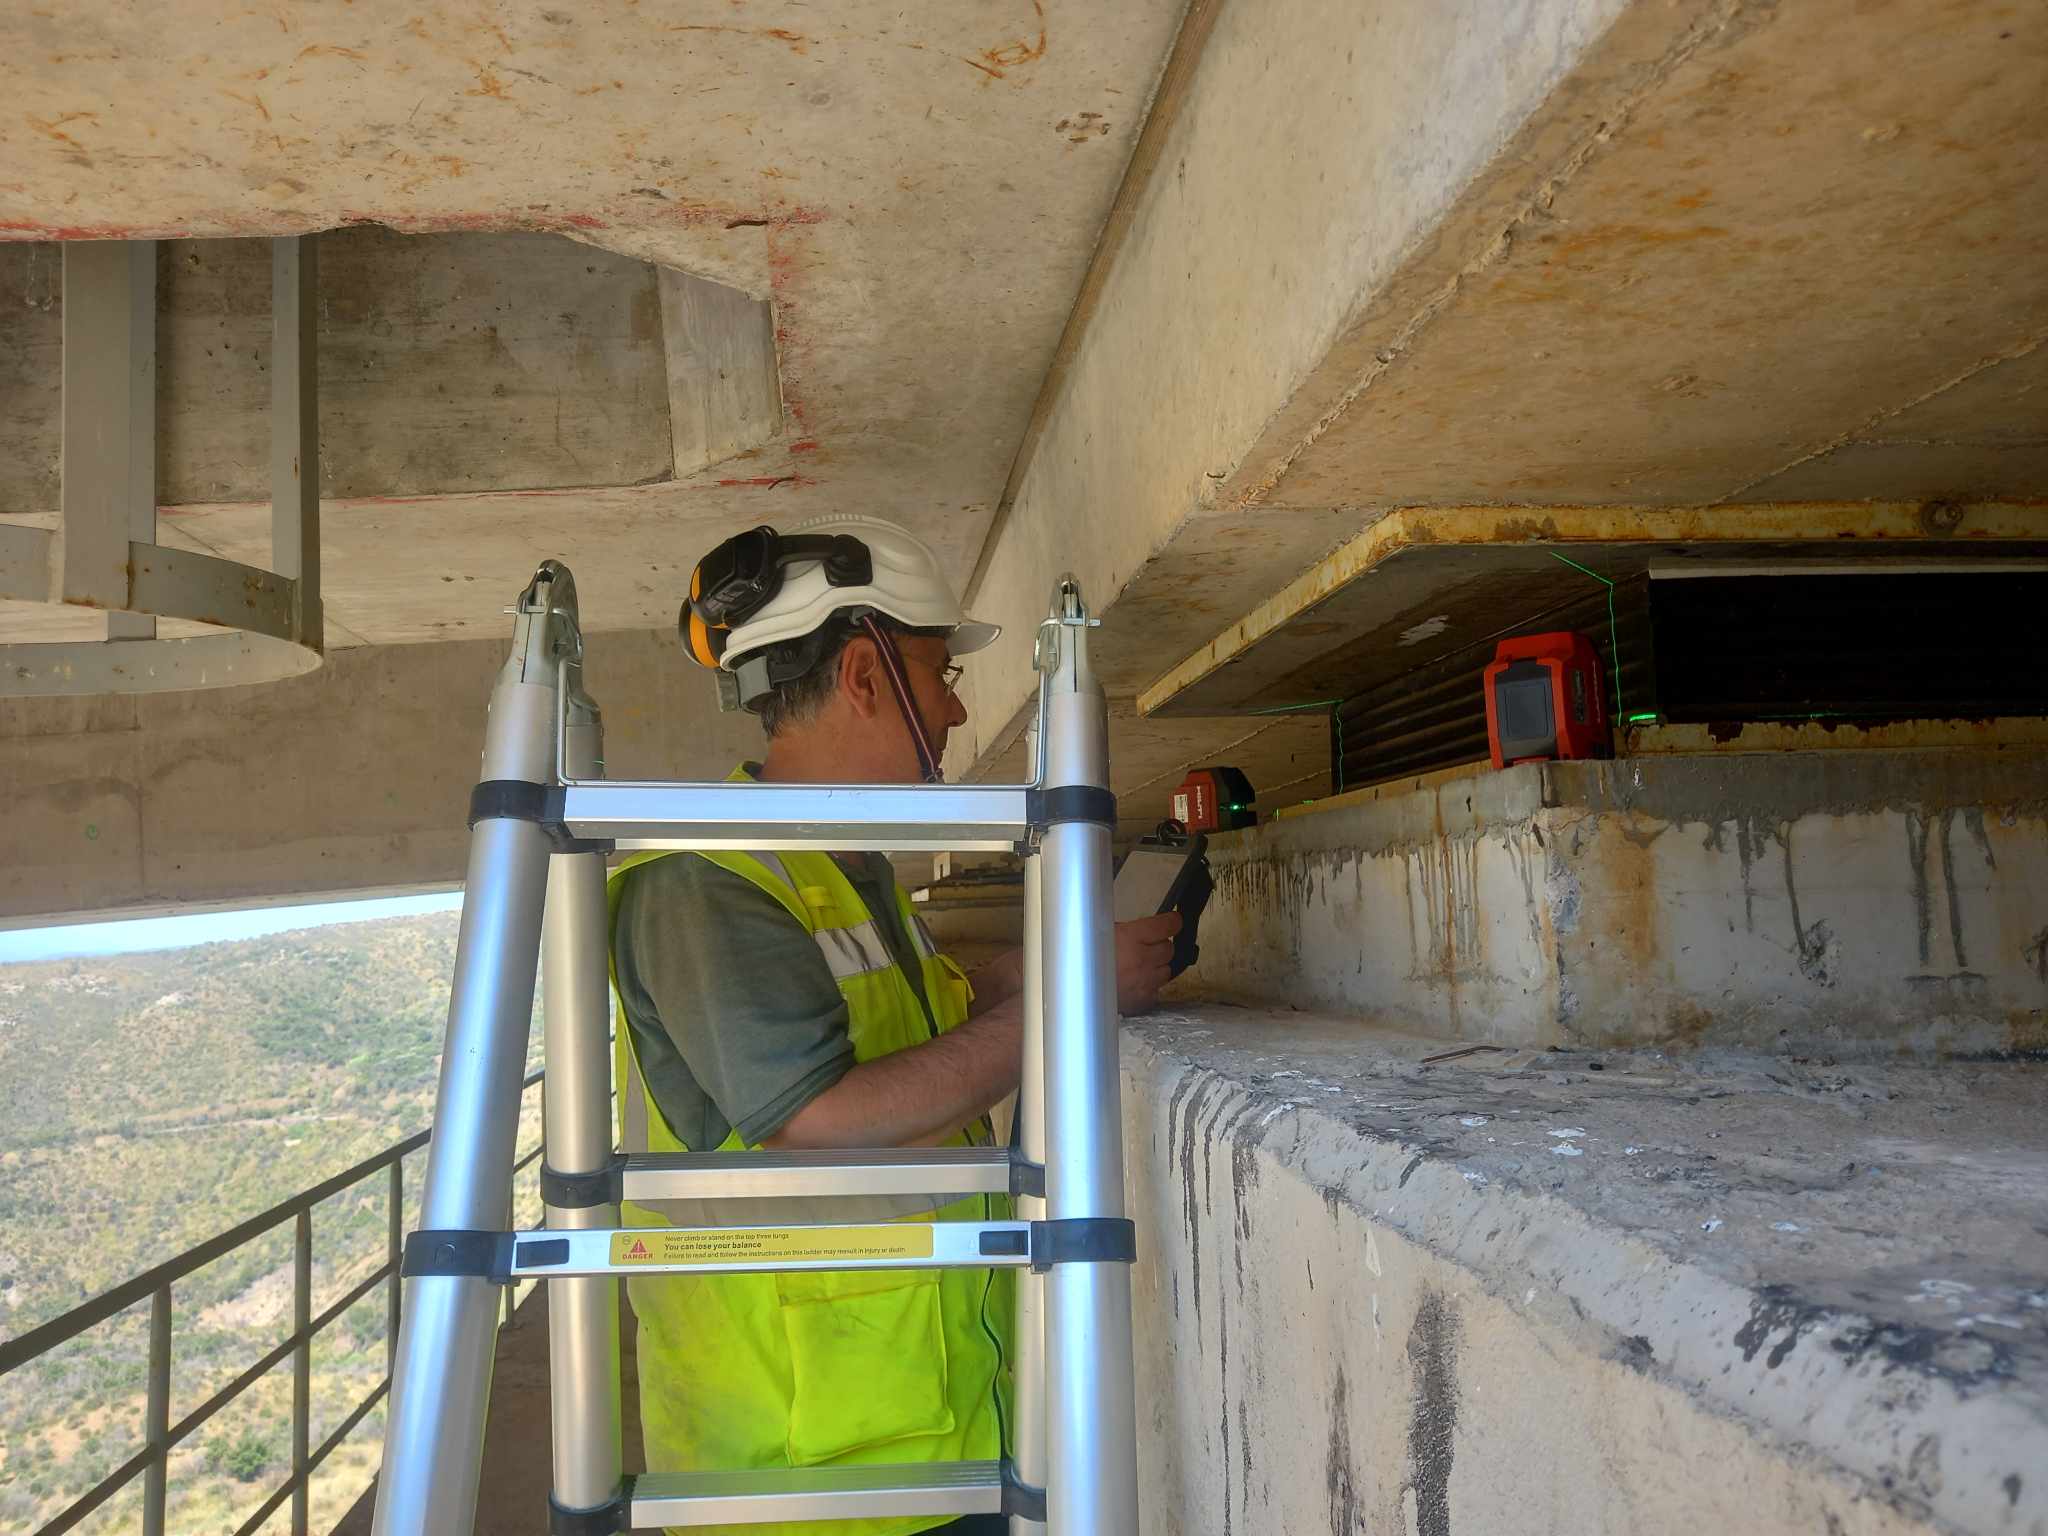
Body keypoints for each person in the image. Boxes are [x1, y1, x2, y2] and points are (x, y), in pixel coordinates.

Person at [608, 515, 1180, 1536]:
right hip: (803, 1485)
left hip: (926, 1434)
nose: (957, 706)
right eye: (937, 672)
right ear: (866, 678)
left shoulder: (840, 866)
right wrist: (1075, 998)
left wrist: (1041, 970)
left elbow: (921, 1024)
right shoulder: (705, 880)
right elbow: (818, 1118)